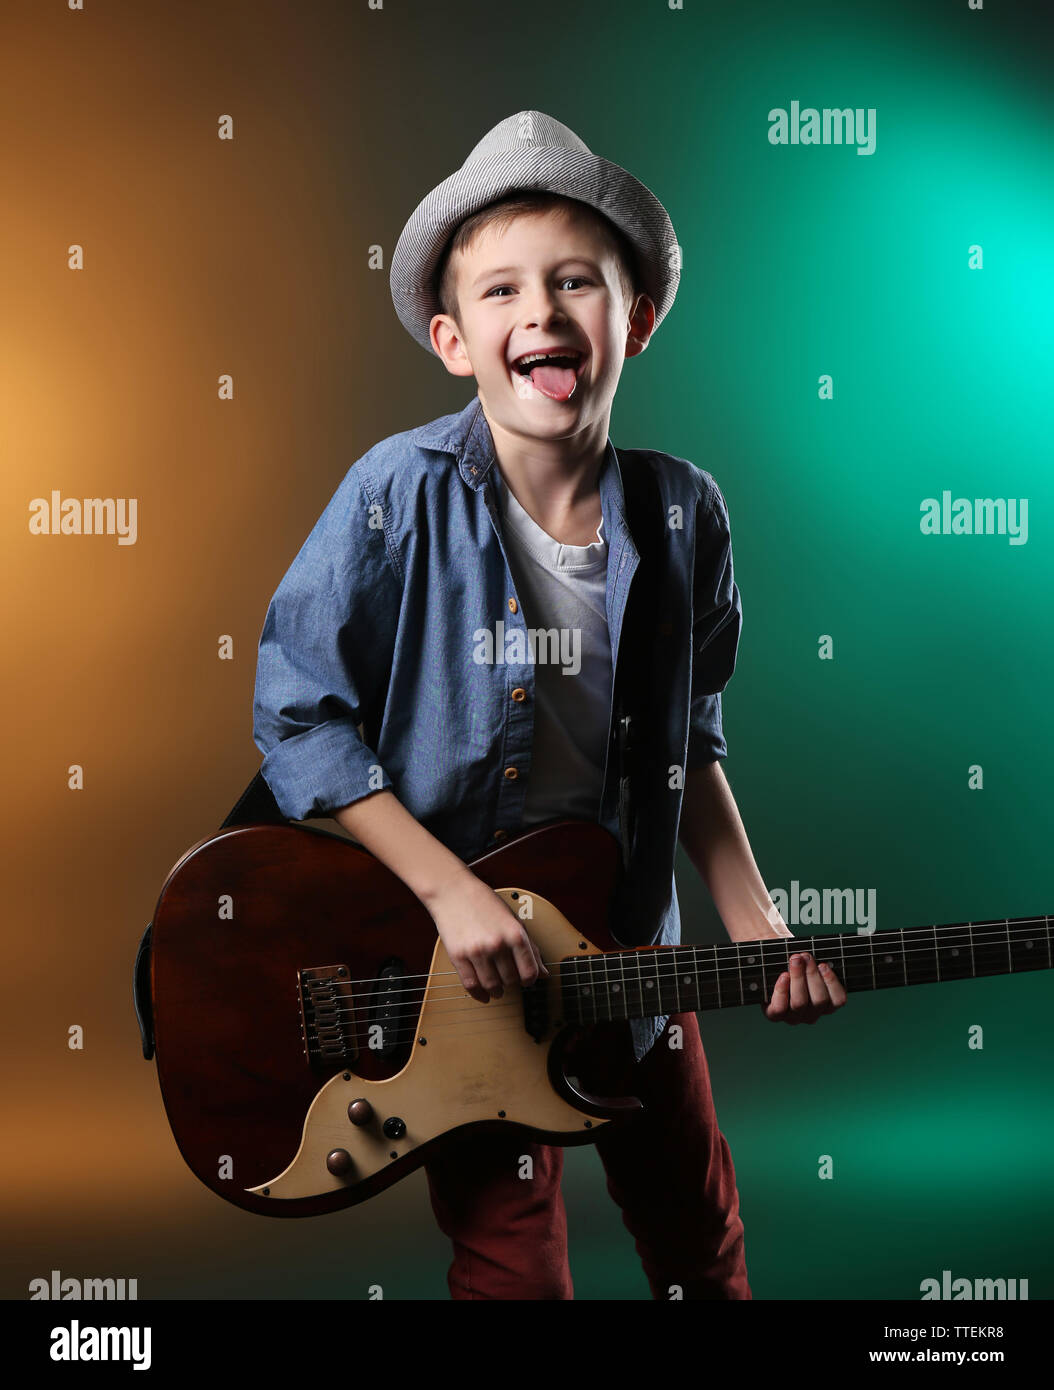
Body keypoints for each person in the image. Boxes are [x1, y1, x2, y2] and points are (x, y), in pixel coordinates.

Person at [252, 110, 846, 1300]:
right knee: (513, 1265)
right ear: (453, 340)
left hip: (631, 951)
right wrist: (451, 893)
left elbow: (691, 740)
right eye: (504, 291)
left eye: (577, 282)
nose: (544, 311)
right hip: (461, 973)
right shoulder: (394, 494)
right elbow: (298, 718)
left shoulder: (686, 517)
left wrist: (757, 922)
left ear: (635, 318)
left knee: (697, 1234)